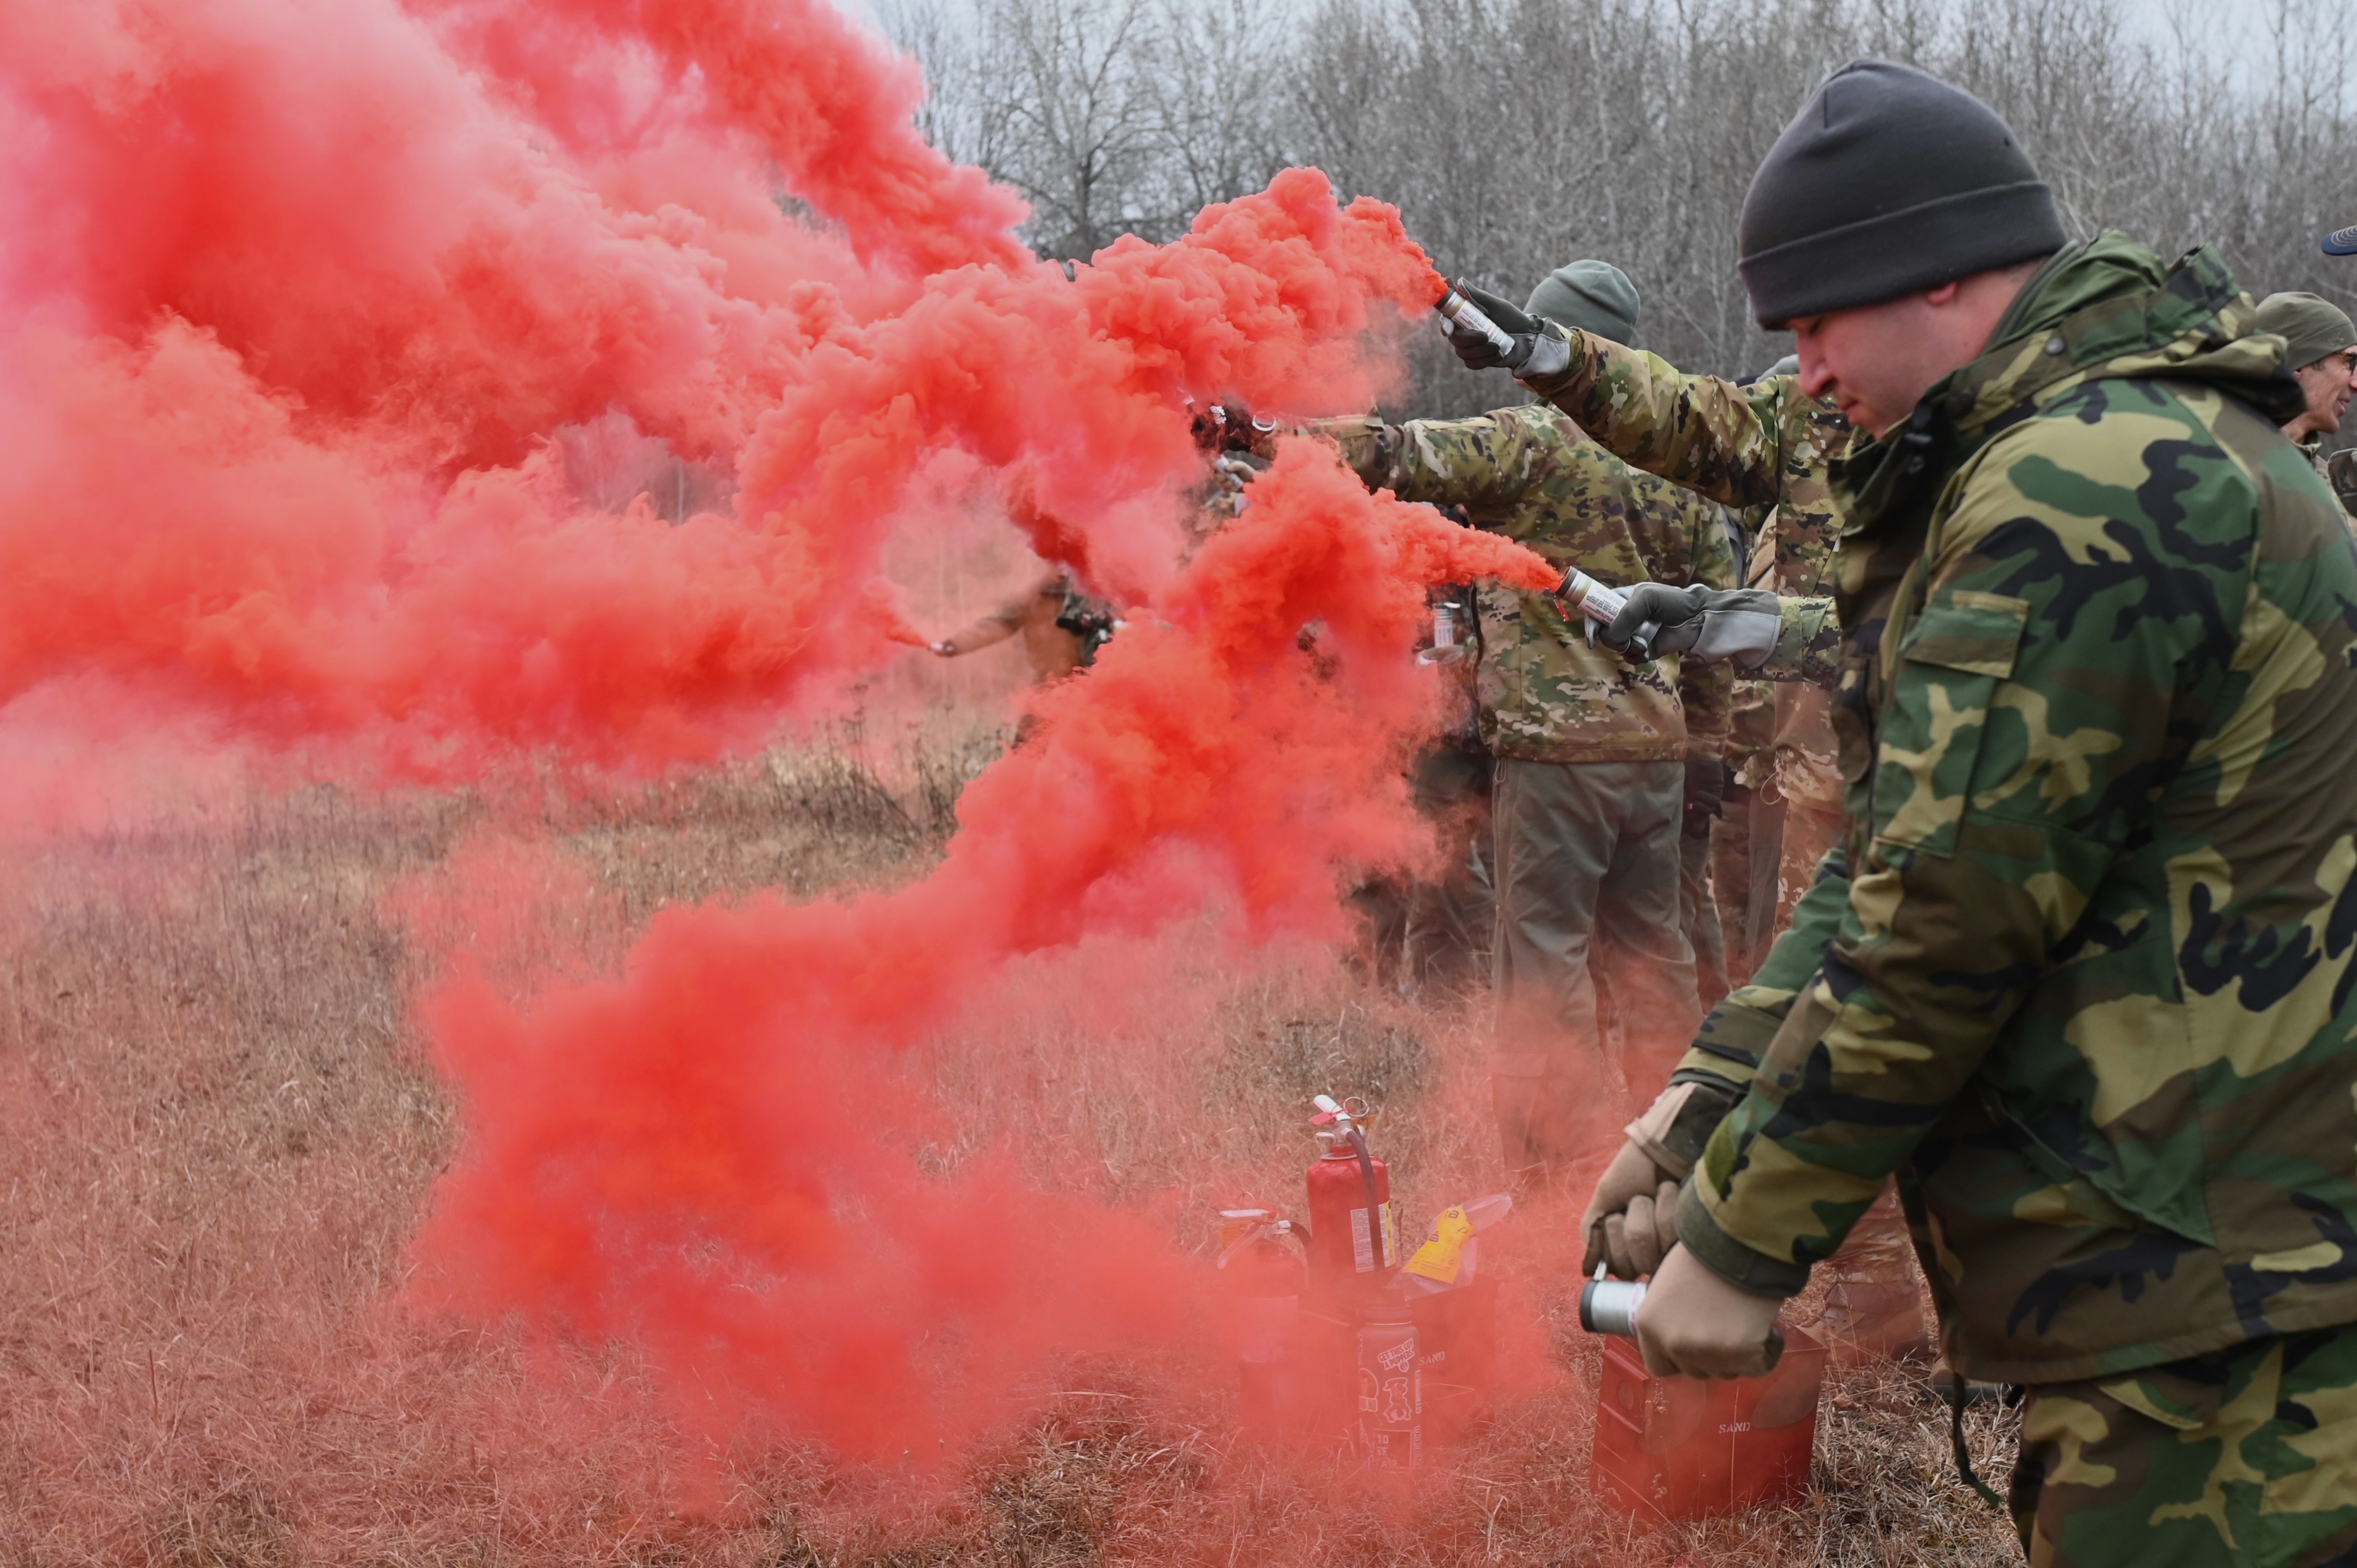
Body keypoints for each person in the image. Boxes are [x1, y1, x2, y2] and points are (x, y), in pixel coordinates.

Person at [1559, 60, 2357, 1565]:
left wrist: (1742, 1239)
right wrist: (1707, 1096)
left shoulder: (2085, 484)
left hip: (2223, 1295)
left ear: (1931, 276)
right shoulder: (2088, 444)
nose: (1799, 375)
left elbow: (1948, 917)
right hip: (2216, 1256)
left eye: (1812, 323)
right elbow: (1900, 846)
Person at [1316, 261, 1738, 1191]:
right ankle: (1676, 1142)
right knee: (1654, 952)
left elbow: (1402, 453)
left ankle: (1558, 1167)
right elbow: (1713, 619)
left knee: (1541, 961)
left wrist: (1273, 438)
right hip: (1657, 753)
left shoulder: (1538, 440)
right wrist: (1707, 749)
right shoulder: (1676, 455)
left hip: (1555, 759)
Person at [2250, 291, 2357, 520]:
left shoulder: (2334, 490)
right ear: (2299, 365)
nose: (2355, 383)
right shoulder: (2221, 468)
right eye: (2349, 362)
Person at [928, 569, 1116, 682]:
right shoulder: (1035, 596)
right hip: (1047, 684)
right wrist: (955, 645)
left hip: (1088, 686)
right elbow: (999, 623)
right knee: (1025, 745)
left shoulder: (1096, 594)